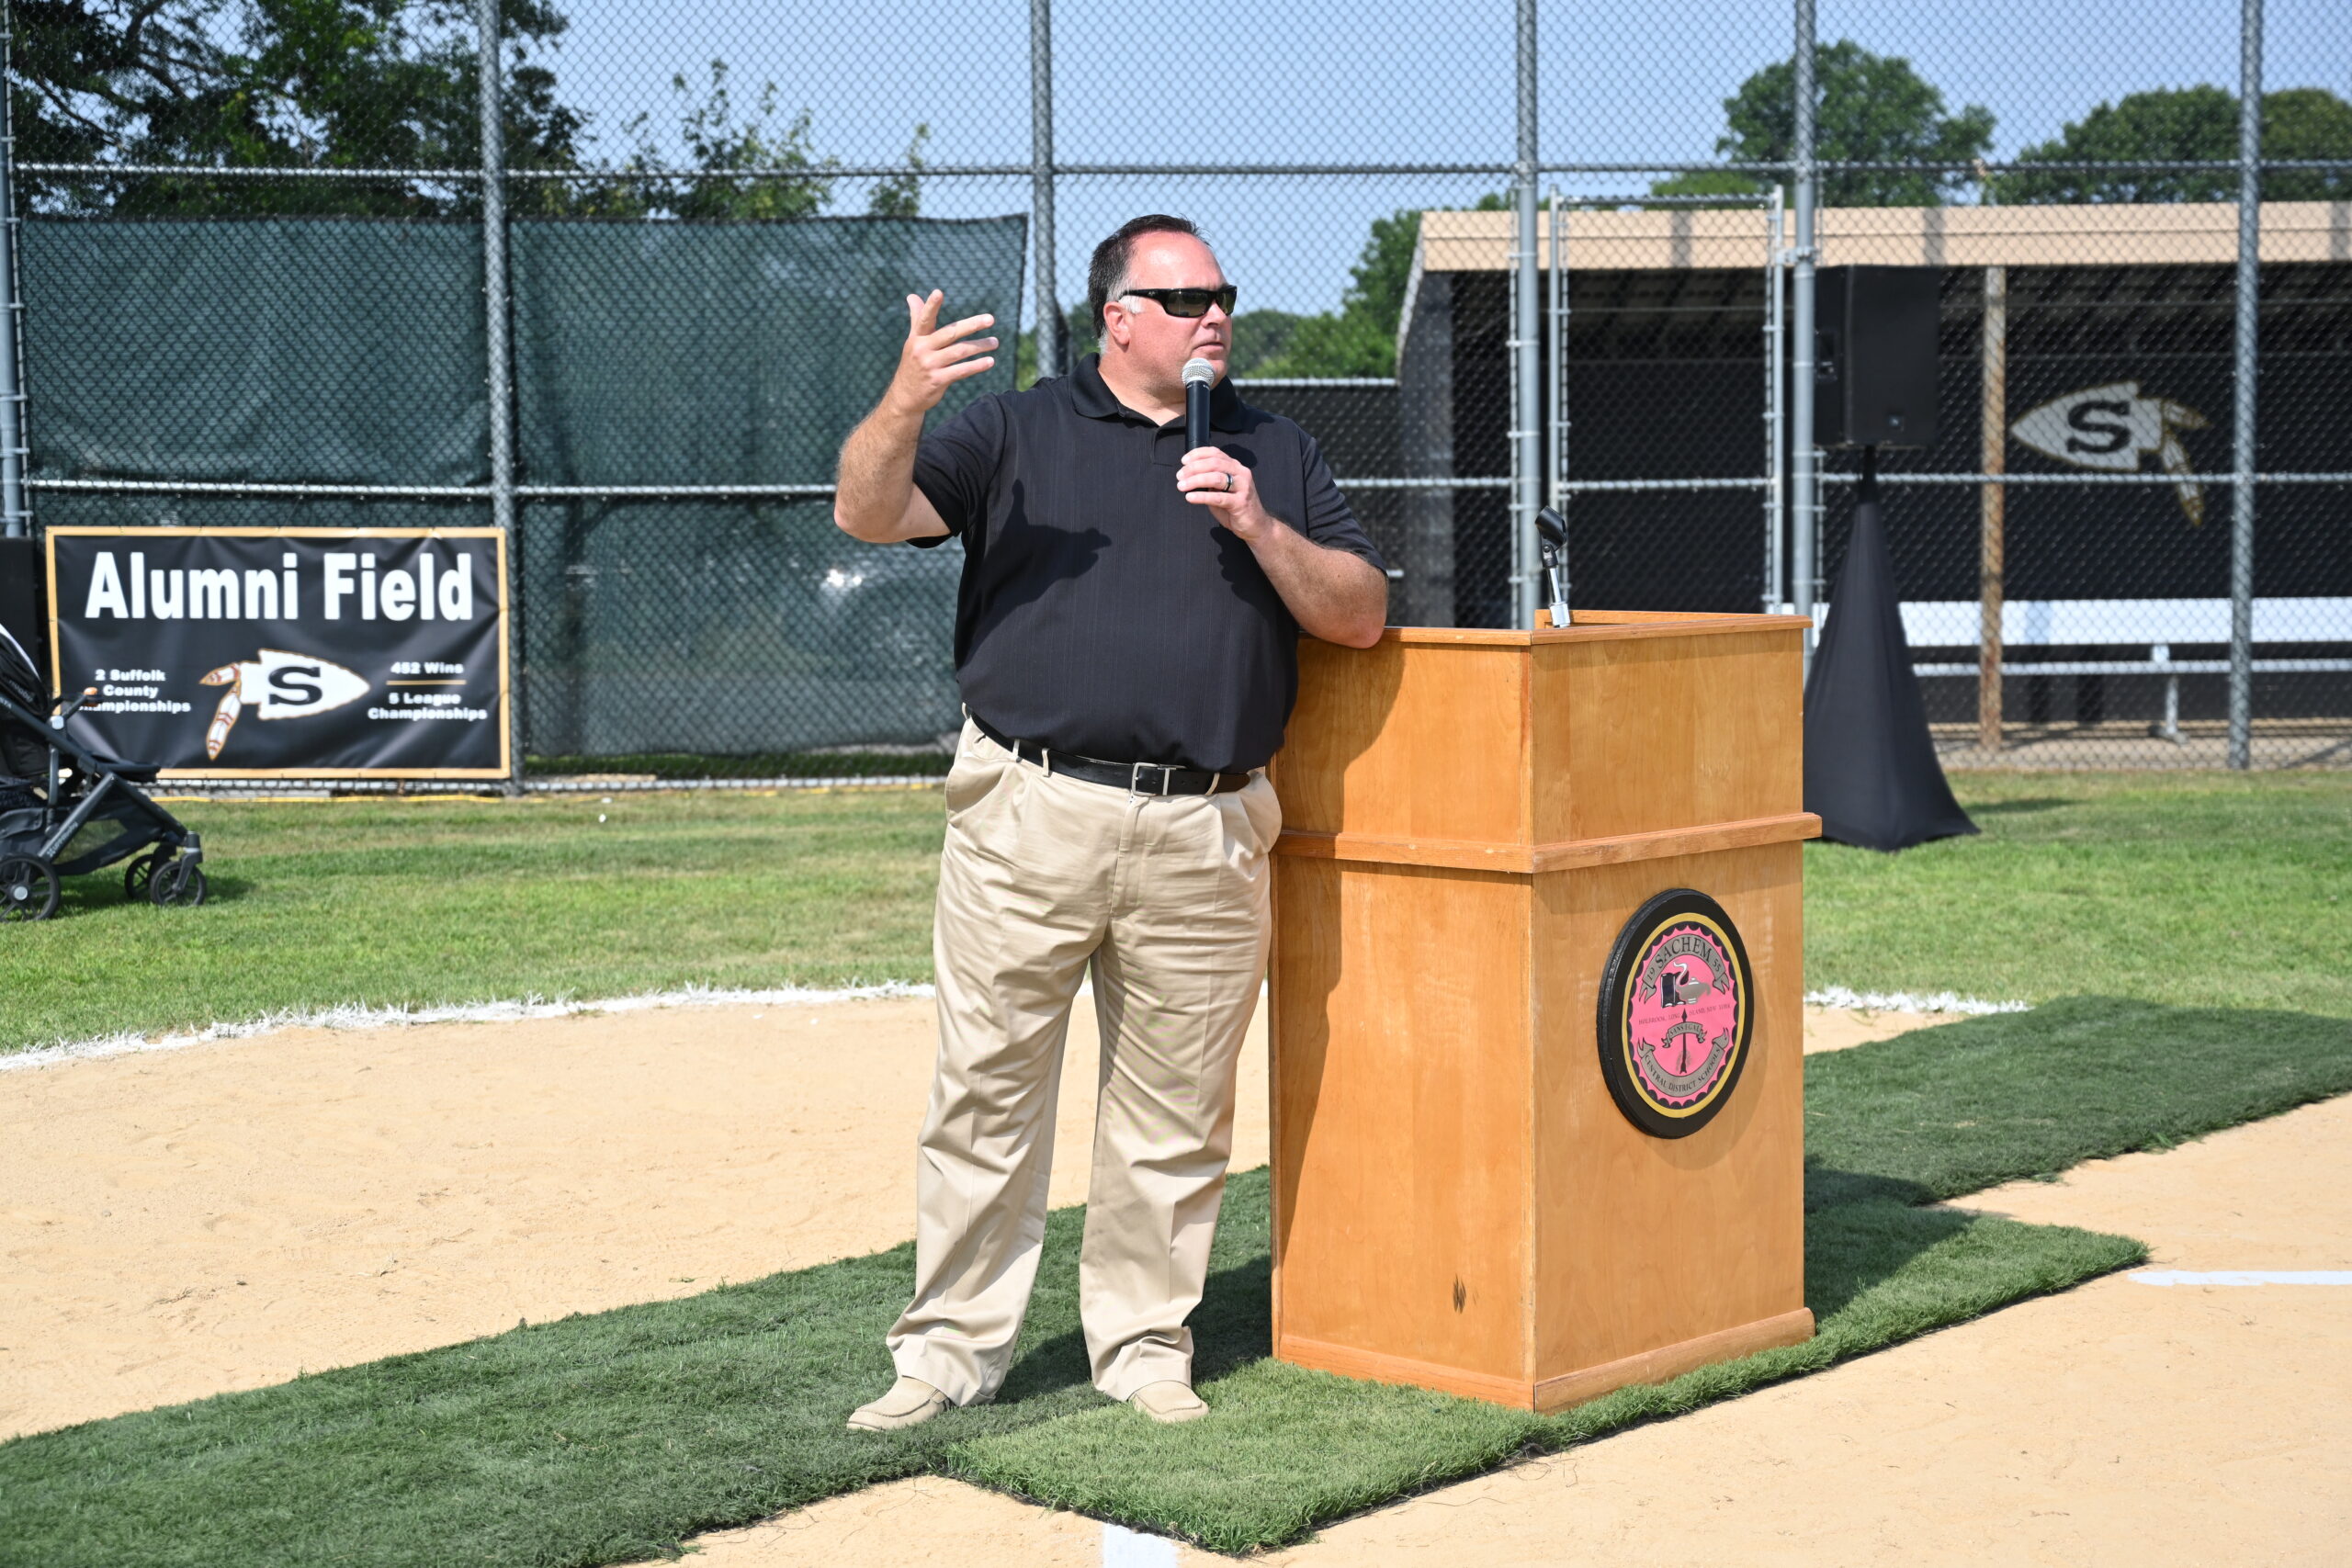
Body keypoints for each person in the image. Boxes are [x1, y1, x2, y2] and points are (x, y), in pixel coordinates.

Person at [832, 214, 1386, 1431]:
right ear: (1119, 316)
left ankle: (1142, 1344)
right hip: (1031, 810)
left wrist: (1256, 522)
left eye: (1223, 295)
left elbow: (1357, 613)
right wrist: (904, 403)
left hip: (1208, 827)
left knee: (1177, 1109)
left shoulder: (1273, 449)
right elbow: (869, 515)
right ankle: (946, 1353)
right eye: (1187, 299)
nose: (1217, 316)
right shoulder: (1014, 429)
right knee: (986, 1089)